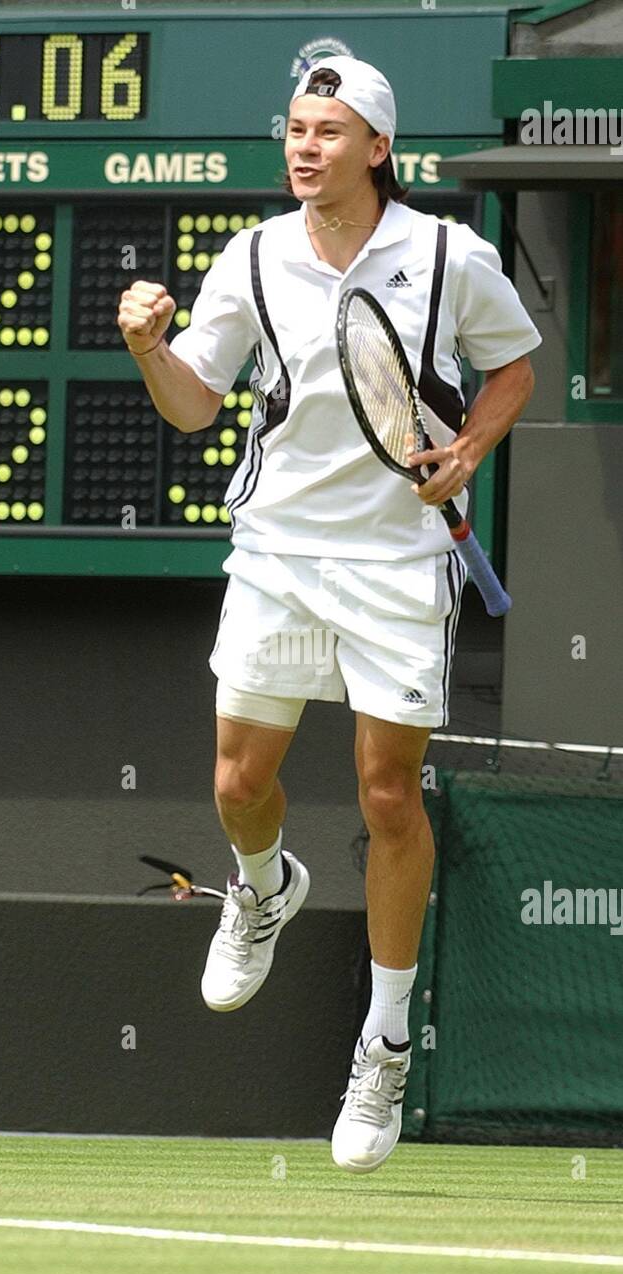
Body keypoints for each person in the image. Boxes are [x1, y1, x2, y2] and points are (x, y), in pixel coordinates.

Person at [117, 55, 541, 1173]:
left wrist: (468, 450)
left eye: (328, 130)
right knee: (237, 784)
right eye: (295, 129)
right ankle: (262, 888)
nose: (304, 146)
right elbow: (196, 408)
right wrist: (149, 346)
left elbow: (514, 369)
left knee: (386, 793)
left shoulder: (452, 254)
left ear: (378, 148)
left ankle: (386, 1041)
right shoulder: (250, 256)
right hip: (278, 553)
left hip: (400, 562)